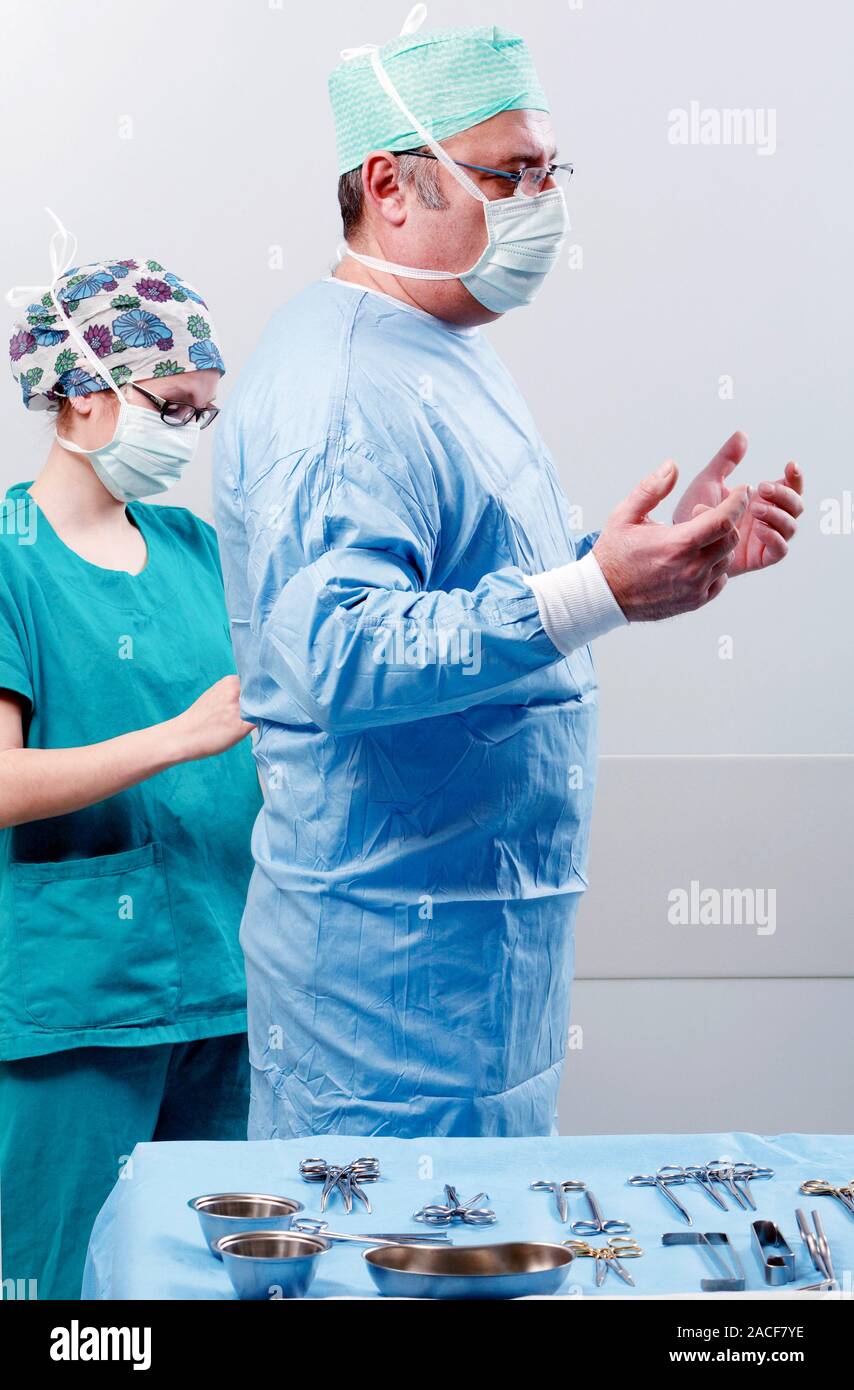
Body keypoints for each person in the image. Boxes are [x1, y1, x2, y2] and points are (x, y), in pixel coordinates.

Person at [212, 8, 803, 1140]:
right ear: (389, 183)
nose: (541, 204)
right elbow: (340, 651)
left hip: (483, 975)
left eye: (548, 170)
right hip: (380, 995)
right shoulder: (334, 386)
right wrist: (594, 593)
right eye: (507, 173)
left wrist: (650, 564)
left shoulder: (444, 350)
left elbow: (477, 597)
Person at [0, 216, 261, 1298]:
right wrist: (178, 739)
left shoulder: (197, 550)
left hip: (223, 979)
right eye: (171, 409)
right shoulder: (14, 561)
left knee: (211, 1281)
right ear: (81, 393)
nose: (188, 438)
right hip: (77, 1000)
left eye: (203, 415)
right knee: (59, 1295)